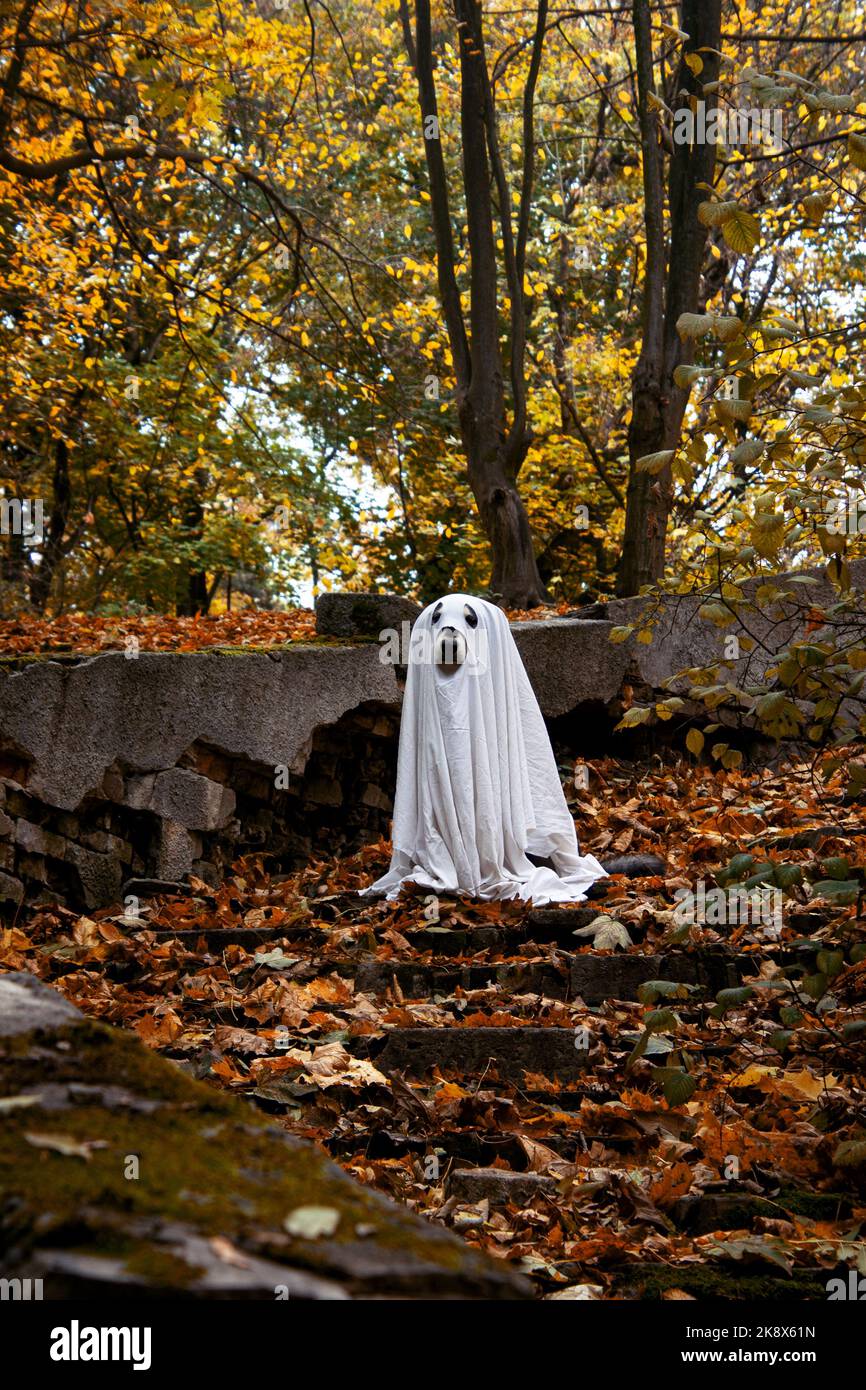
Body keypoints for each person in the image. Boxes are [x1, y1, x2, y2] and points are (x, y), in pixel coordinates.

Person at [364, 593, 607, 904]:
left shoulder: (493, 680)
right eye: (439, 622)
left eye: (467, 621)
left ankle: (487, 854)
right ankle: (450, 853)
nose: (451, 630)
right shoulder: (431, 669)